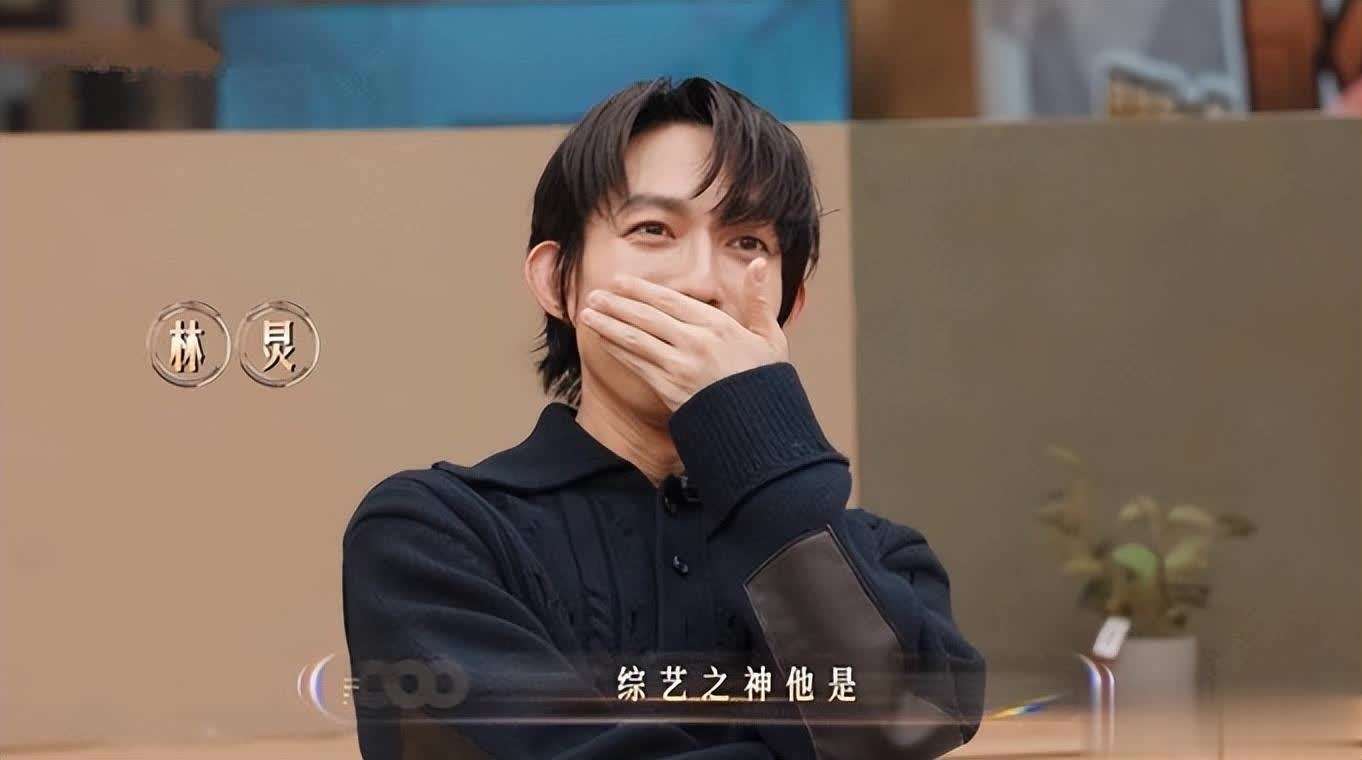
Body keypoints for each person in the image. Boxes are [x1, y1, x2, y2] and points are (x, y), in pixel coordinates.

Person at [342, 77, 986, 760]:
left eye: (747, 242)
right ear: (557, 280)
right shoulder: (432, 534)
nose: (701, 283)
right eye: (652, 230)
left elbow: (900, 724)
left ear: (788, 306)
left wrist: (760, 435)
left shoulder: (879, 559)